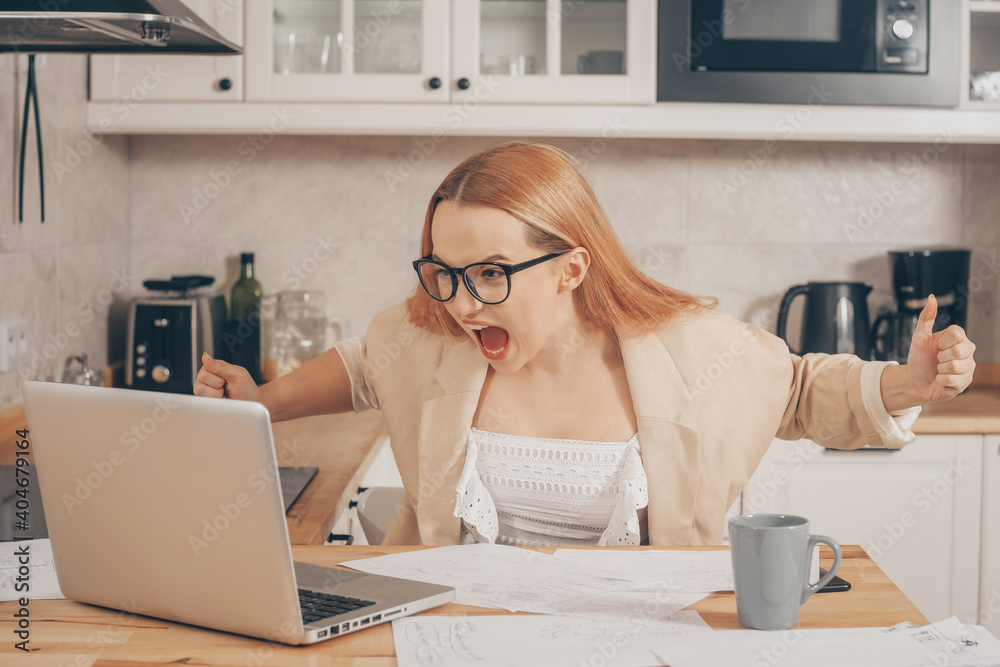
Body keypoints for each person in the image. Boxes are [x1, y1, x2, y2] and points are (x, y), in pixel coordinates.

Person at [195, 141, 977, 547]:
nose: (463, 304)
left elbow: (800, 388)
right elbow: (371, 363)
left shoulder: (690, 353)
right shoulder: (432, 332)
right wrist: (262, 399)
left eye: (492, 273)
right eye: (443, 271)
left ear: (572, 266)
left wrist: (908, 384)